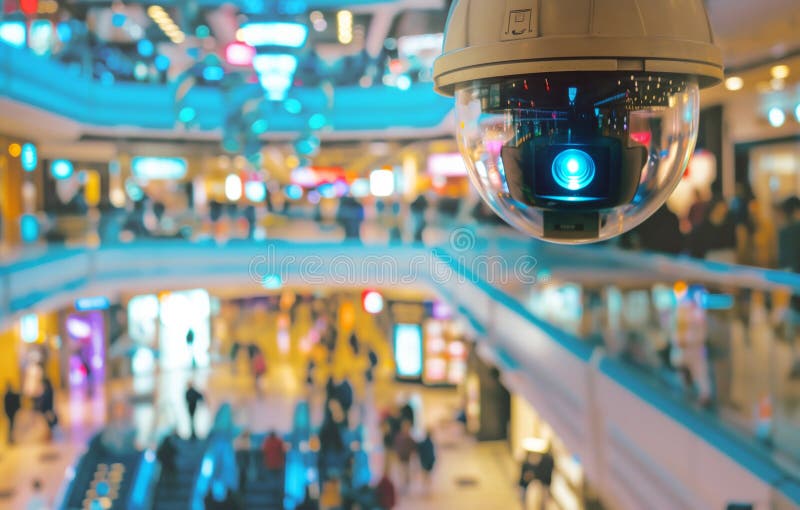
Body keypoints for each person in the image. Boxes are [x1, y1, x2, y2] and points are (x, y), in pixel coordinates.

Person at [392, 419, 416, 491]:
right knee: (401, 473)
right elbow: (396, 446)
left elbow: (413, 448)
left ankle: (406, 485)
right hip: (400, 458)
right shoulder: (399, 437)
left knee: (407, 473)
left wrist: (413, 455)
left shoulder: (410, 438)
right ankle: (402, 486)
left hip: (407, 458)